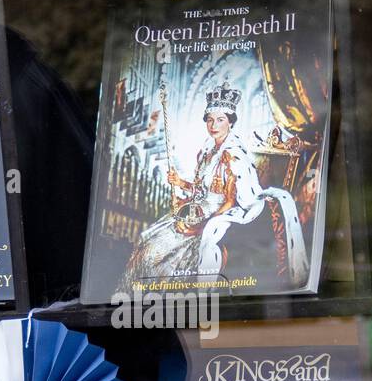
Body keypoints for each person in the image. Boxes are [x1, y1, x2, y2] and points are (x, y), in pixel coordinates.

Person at [122, 81, 307, 290]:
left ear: (230, 123)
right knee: (149, 243)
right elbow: (203, 189)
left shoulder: (233, 156)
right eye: (210, 120)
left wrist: (200, 225)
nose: (214, 125)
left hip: (221, 213)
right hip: (199, 209)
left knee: (162, 253)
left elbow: (230, 200)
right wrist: (180, 182)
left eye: (220, 120)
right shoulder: (207, 152)